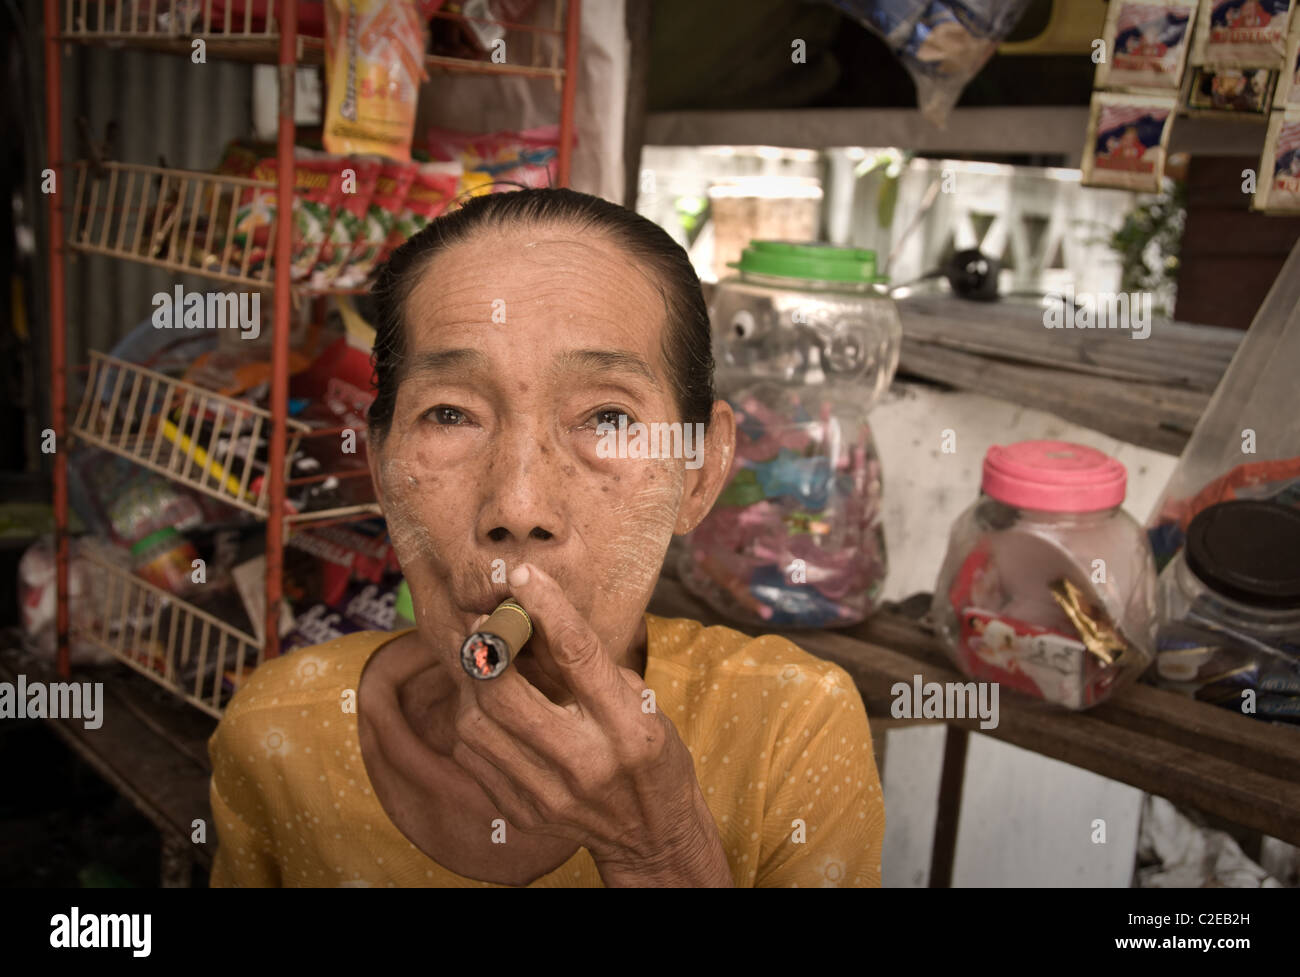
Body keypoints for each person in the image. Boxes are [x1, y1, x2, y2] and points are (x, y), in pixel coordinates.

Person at [207, 187, 886, 888]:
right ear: (380, 469)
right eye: (450, 413)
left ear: (701, 470)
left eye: (608, 418)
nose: (520, 505)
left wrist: (660, 851)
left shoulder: (790, 730)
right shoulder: (278, 734)